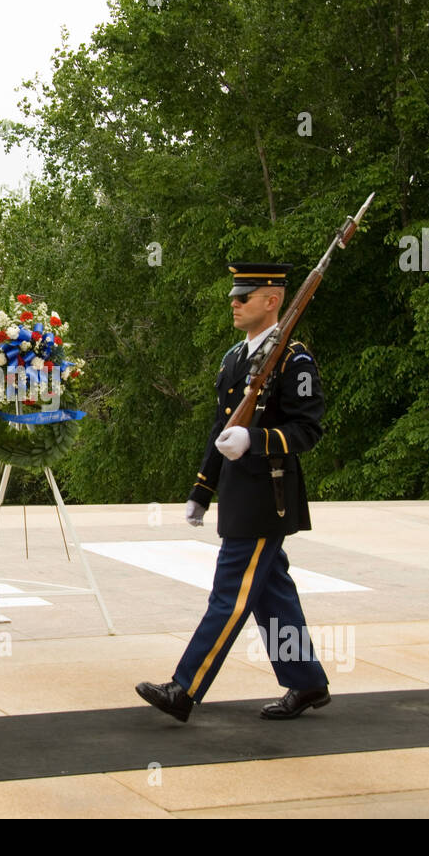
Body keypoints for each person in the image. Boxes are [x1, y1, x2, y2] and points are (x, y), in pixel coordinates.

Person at [136, 262, 331, 723]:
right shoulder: (232, 359)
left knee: (229, 595)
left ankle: (184, 689)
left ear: (273, 300)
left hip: (269, 497)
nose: (234, 302)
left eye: (245, 296)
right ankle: (306, 682)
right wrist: (202, 489)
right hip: (237, 495)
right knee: (270, 593)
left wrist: (257, 441)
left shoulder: (294, 359)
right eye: (234, 295)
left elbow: (308, 429)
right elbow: (220, 429)